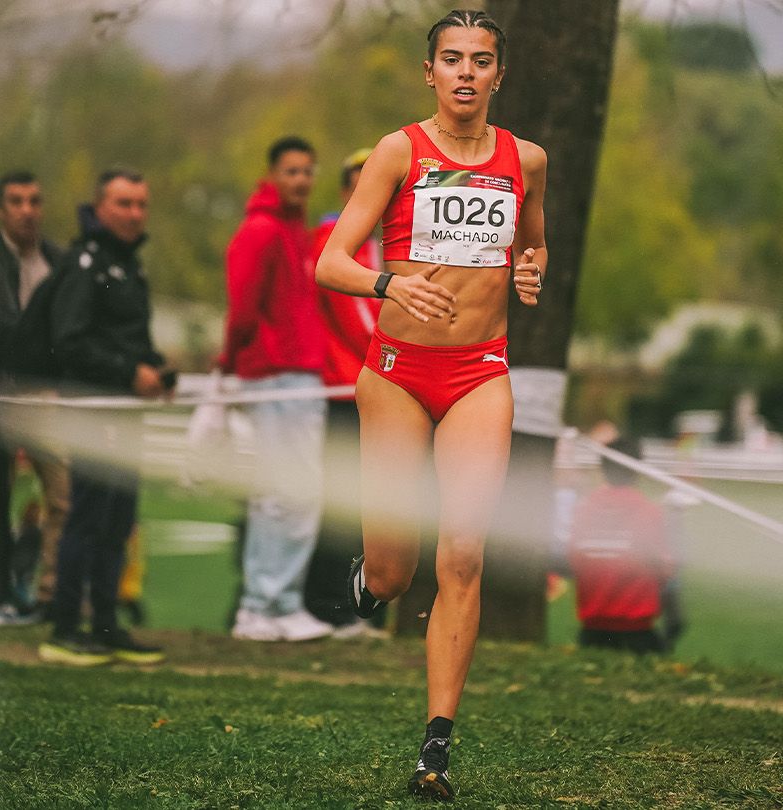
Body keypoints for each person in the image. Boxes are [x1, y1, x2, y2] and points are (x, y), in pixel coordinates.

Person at [315, 9, 547, 801]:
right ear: (430, 72)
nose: (466, 73)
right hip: (397, 373)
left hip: (481, 372)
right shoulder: (398, 151)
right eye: (452, 59)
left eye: (481, 61)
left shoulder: (528, 159)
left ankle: (436, 748)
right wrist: (390, 282)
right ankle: (368, 581)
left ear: (498, 76)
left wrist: (530, 272)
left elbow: (532, 242)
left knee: (463, 555)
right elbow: (330, 262)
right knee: (396, 570)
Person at [39, 167, 171, 667]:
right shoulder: (86, 262)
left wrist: (155, 369)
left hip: (126, 411)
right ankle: (66, 628)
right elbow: (67, 342)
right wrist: (126, 372)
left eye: (141, 204)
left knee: (118, 521)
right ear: (99, 207)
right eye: (124, 203)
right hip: (94, 410)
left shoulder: (128, 265)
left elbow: (131, 340)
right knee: (88, 519)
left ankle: (107, 626)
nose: (135, 213)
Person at [219, 136, 335, 643]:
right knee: (282, 494)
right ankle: (260, 606)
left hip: (300, 375)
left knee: (296, 493)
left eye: (308, 171)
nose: (302, 180)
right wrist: (231, 364)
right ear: (273, 174)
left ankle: (278, 603)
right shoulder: (262, 231)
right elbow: (242, 309)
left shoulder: (295, 233)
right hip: (276, 375)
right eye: (292, 171)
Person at [0, 170, 71, 615]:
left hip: (42, 393)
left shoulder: (58, 259)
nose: (27, 210)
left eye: (34, 200)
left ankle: (51, 594)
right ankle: (0, 595)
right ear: (0, 209)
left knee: (63, 494)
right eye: (16, 201)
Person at [302, 148, 388, 638]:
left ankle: (355, 605)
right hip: (343, 391)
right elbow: (358, 322)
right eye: (359, 183)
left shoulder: (377, 243)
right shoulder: (335, 241)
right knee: (341, 503)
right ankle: (328, 606)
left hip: (370, 390)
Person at [567, 439, 676, 654]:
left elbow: (574, 560)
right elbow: (663, 568)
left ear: (603, 469)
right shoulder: (648, 511)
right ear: (638, 469)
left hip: (592, 630)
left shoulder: (583, 510)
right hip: (636, 632)